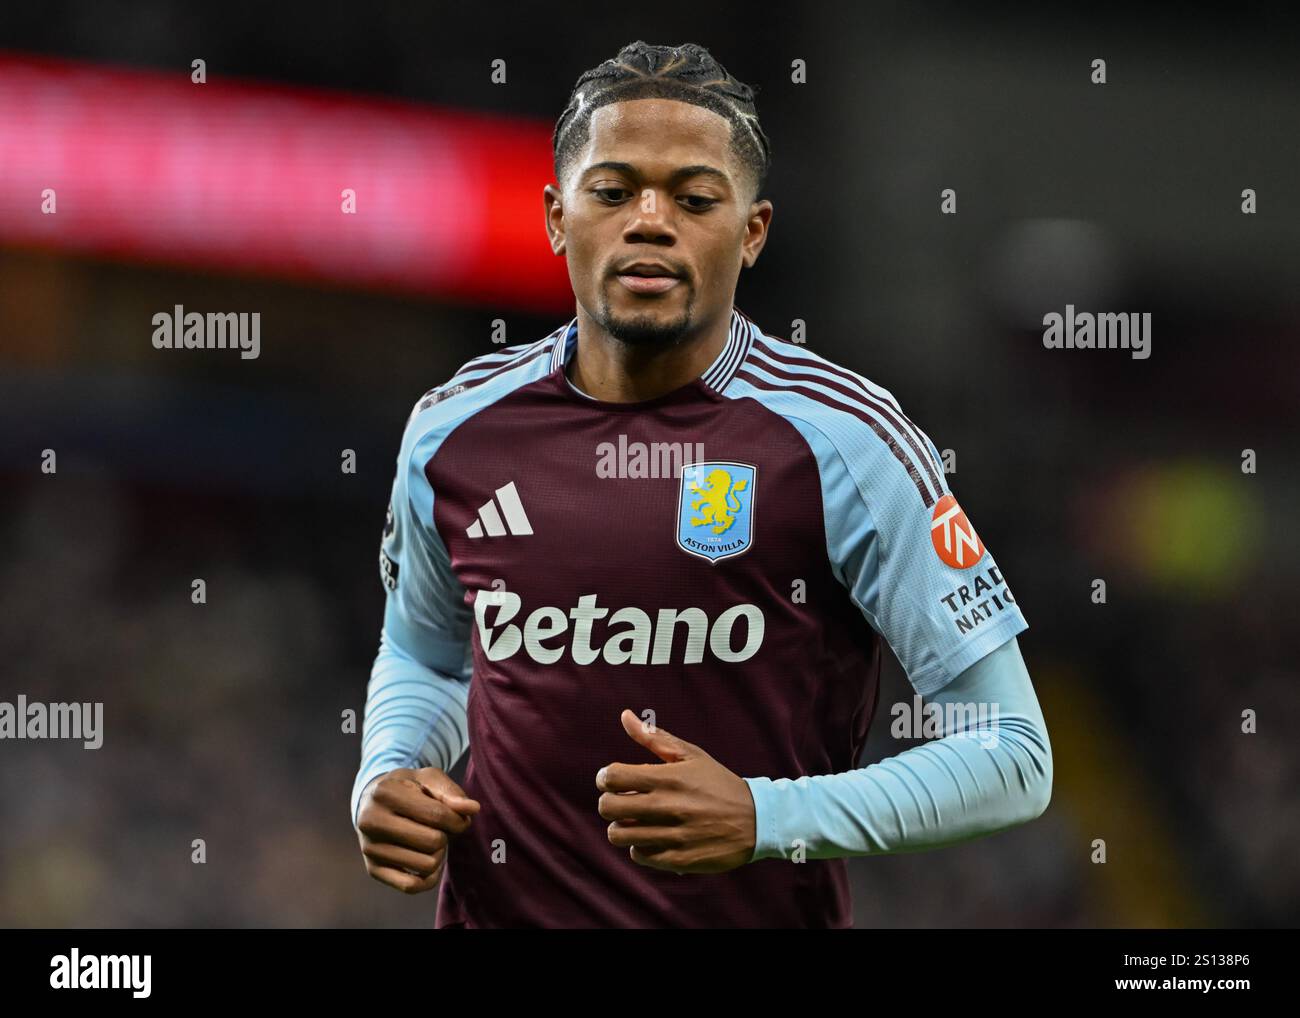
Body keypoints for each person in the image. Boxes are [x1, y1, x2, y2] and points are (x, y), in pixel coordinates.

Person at [351, 40, 1051, 928]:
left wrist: (769, 817)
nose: (650, 221)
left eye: (694, 197)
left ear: (751, 231)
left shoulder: (845, 439)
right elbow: (425, 655)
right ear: (558, 216)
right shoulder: (453, 431)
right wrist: (388, 766)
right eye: (612, 191)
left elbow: (1013, 753)